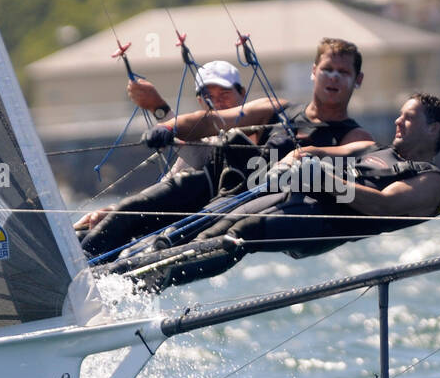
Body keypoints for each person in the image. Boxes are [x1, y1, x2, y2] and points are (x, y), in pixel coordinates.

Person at [80, 38, 375, 260]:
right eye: (327, 69)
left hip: (255, 210)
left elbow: (358, 164)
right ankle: (74, 267)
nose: (334, 77)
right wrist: (168, 127)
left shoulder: (356, 135)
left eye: (343, 72)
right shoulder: (276, 109)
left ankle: (110, 275)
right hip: (208, 192)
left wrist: (308, 156)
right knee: (125, 213)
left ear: (357, 80)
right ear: (314, 72)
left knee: (168, 240)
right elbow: (212, 122)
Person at [122, 93, 440, 289]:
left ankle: (164, 278)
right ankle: (148, 263)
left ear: (433, 128)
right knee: (224, 217)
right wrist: (301, 158)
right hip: (298, 198)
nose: (398, 121)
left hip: (322, 225)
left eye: (407, 118)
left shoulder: (431, 180)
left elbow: (383, 205)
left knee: (242, 234)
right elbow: (322, 154)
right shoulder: (376, 149)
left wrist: (324, 180)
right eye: (399, 115)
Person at [75, 60, 247, 234]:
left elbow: (205, 159)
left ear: (242, 93)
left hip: (213, 224)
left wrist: (158, 107)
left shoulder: (257, 130)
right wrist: (116, 210)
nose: (217, 103)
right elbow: (165, 187)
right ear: (199, 101)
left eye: (225, 94)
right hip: (176, 223)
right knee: (92, 227)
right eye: (208, 97)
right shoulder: (203, 136)